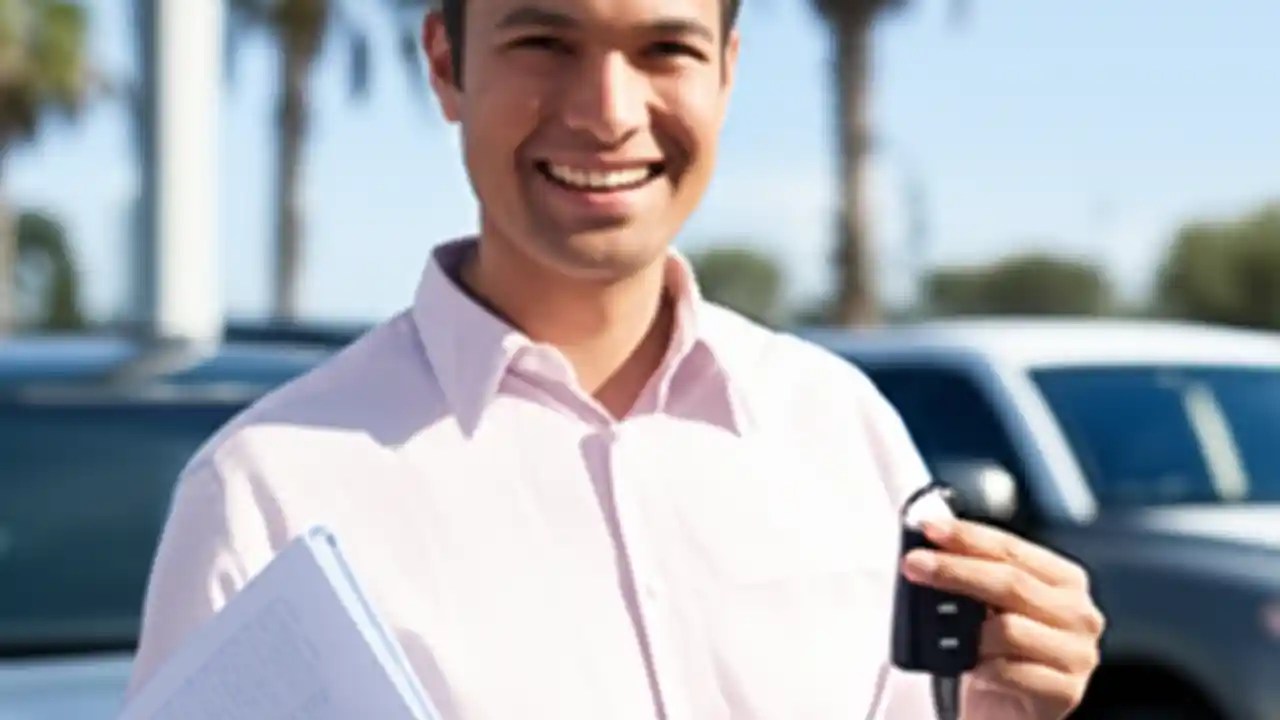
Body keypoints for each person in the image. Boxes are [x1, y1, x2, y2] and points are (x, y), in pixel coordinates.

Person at [126, 0, 1105, 716]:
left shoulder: (837, 427)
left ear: (725, 70)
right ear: (444, 63)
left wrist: (1011, 701)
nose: (604, 110)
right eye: (544, 42)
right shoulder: (268, 491)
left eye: (663, 48)